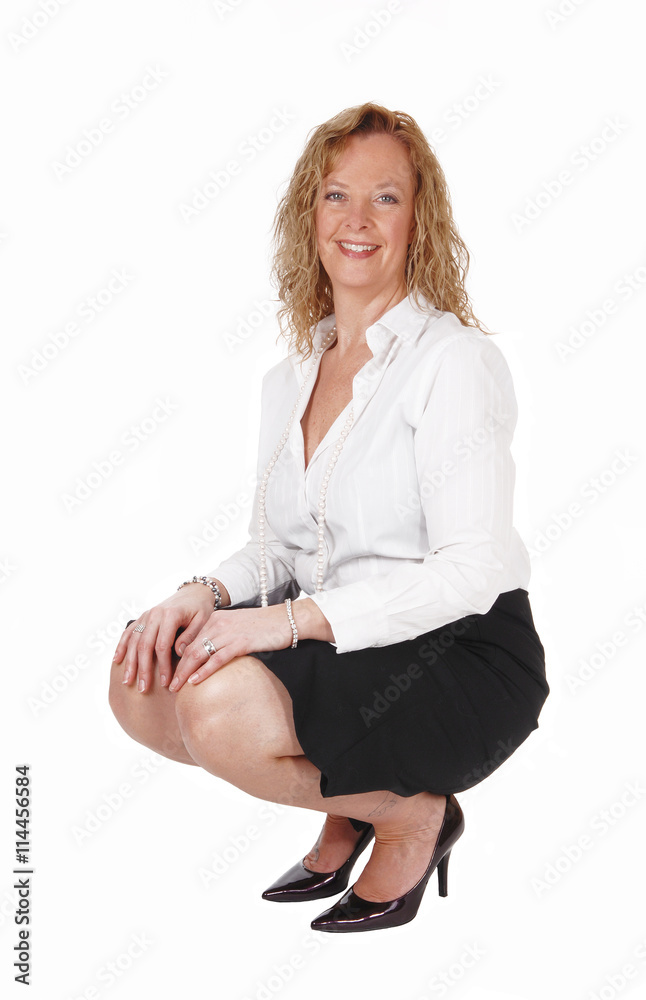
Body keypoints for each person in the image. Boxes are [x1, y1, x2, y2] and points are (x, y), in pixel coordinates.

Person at [109, 102, 549, 933]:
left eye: (385, 198)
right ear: (307, 215)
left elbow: (471, 570)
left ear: (420, 219)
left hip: (459, 649)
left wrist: (281, 626)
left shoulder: (453, 362)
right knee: (141, 676)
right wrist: (198, 593)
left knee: (216, 705)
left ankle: (411, 813)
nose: (356, 220)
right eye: (334, 195)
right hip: (338, 641)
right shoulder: (292, 374)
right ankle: (354, 800)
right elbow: (275, 548)